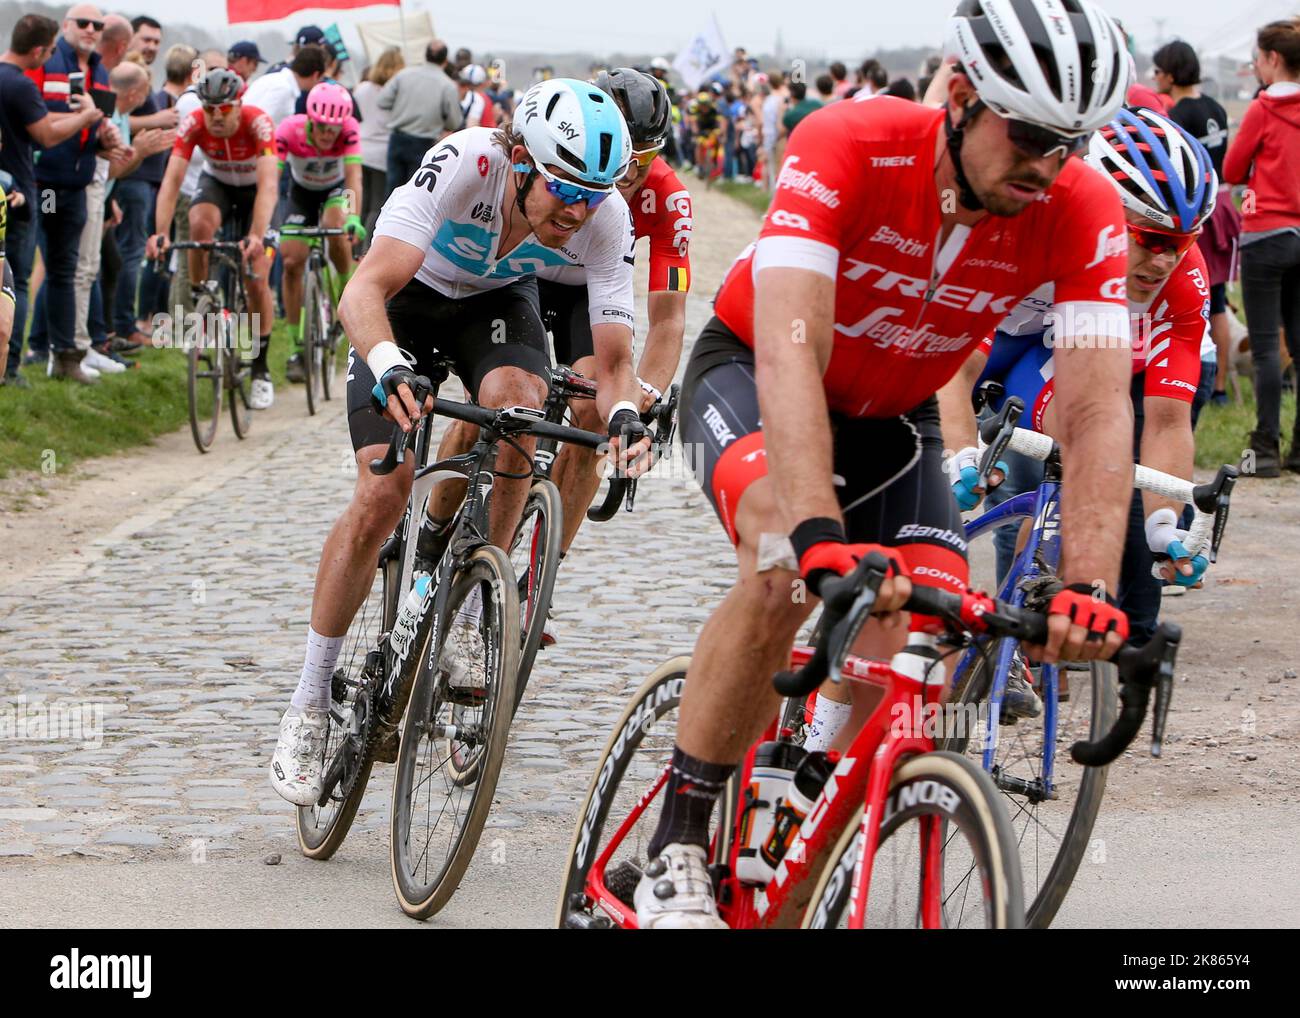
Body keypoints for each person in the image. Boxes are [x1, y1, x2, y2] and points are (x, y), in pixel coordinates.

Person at [633, 0, 1135, 928]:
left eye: (1070, 143)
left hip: (896, 416)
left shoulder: (1080, 206)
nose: (1047, 164)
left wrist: (1091, 582)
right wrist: (820, 531)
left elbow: (1101, 404)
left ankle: (812, 795)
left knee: (930, 619)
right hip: (756, 368)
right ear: (958, 96)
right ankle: (676, 841)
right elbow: (792, 345)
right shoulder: (850, 142)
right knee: (786, 562)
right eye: (1028, 134)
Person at [267, 77, 651, 805]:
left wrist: (626, 411)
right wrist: (388, 364)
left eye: (593, 195)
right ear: (520, 160)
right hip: (406, 301)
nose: (577, 210)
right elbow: (363, 291)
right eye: (565, 189)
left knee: (519, 412)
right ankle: (310, 702)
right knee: (382, 493)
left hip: (494, 306)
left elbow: (616, 355)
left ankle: (475, 609)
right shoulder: (467, 162)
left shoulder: (604, 215)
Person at [952, 107, 1218, 660]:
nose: (1165, 259)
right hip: (983, 343)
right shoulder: (1027, 231)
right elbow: (957, 369)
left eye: (1185, 240)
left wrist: (1164, 522)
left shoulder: (1183, 282)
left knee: (1071, 465)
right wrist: (957, 454)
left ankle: (1032, 635)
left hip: (1055, 350)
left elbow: (1167, 416)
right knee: (939, 481)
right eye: (1149, 237)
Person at [147, 69, 279, 408]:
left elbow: (268, 186)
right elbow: (172, 182)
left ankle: (260, 369)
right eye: (210, 110)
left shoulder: (258, 123)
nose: (216, 117)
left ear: (238, 105)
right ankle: (201, 296)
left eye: (224, 109)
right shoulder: (193, 123)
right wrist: (160, 234)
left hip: (254, 193)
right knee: (198, 223)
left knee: (257, 277)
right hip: (218, 184)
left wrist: (255, 235)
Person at [0, 13, 101, 386]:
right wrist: (87, 118)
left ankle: (53, 350)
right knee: (23, 279)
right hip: (36, 195)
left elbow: (40, 122)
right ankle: (12, 367)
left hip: (32, 190)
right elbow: (44, 135)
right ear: (41, 50)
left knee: (55, 265)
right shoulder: (23, 85)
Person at [28, 4, 124, 384]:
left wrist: (107, 139)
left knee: (69, 266)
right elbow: (30, 118)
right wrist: (86, 121)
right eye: (82, 23)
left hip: (79, 180)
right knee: (52, 261)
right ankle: (42, 345)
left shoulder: (100, 71)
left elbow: (95, 132)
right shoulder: (48, 62)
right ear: (65, 26)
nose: (89, 29)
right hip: (45, 181)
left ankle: (65, 352)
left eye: (97, 25)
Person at [1223, 18, 1300, 476]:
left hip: (1267, 233)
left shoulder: (1263, 108)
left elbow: (1232, 169)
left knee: (1269, 346)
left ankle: (1265, 449)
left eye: (1258, 58)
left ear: (1272, 60)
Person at [1152, 39, 1237, 408]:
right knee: (1216, 300)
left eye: (1157, 70)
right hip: (1222, 208)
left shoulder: (1179, 115)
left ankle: (1191, 376)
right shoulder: (1215, 106)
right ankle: (1219, 386)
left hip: (1193, 212)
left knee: (1194, 298)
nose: (1155, 77)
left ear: (1170, 74)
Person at [275, 82, 364, 382]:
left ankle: (343, 292)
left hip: (334, 191)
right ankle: (296, 347)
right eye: (323, 127)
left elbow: (354, 176)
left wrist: (353, 217)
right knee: (290, 262)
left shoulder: (349, 129)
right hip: (300, 193)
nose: (328, 134)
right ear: (311, 118)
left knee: (334, 227)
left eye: (334, 128)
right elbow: (271, 177)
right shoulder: (289, 129)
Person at [378, 40, 462, 196]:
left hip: (397, 138)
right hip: (424, 142)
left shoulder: (404, 75)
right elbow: (454, 122)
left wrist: (401, 107)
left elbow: (382, 101)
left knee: (391, 192)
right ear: (445, 60)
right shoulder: (447, 85)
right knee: (414, 195)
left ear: (425, 56)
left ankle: (386, 220)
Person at [354, 48, 403, 235]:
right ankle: (366, 245)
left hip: (359, 150)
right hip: (382, 153)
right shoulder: (395, 93)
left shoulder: (362, 88)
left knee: (359, 202)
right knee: (376, 204)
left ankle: (353, 245)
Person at [242, 45, 326, 128]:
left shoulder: (277, 80)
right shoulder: (284, 89)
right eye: (321, 78)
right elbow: (260, 123)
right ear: (316, 75)